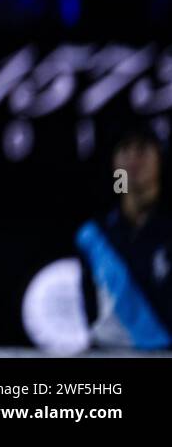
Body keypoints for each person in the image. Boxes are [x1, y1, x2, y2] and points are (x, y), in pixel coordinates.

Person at [76, 120, 172, 350]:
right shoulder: (93, 235)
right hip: (107, 357)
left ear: (159, 158)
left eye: (142, 149)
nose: (133, 159)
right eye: (125, 149)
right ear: (114, 162)